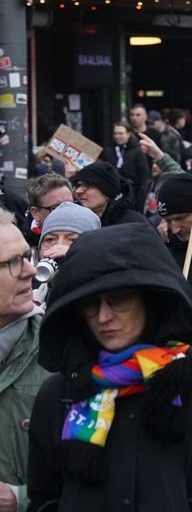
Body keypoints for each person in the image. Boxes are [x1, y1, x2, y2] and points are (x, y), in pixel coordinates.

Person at [27, 223, 192, 511]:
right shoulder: (60, 393)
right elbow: (44, 498)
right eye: (90, 304)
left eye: (119, 300)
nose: (103, 316)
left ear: (149, 298)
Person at [0, 211, 49, 512]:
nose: (31, 271)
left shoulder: (64, 353)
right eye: (12, 262)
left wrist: (20, 499)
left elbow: (99, 469)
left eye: (28, 256)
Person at [34, 202, 100, 302]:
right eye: (50, 239)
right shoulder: (29, 302)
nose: (59, 247)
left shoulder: (105, 298)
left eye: (73, 240)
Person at [70, 161, 148, 227]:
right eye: (77, 185)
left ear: (108, 191)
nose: (78, 191)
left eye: (86, 185)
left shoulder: (133, 224)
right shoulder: (72, 221)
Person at [101, 121, 151, 211]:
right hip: (113, 193)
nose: (117, 136)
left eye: (120, 133)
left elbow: (144, 176)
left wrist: (140, 198)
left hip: (132, 193)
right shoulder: (109, 150)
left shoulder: (137, 151)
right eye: (115, 133)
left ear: (128, 134)